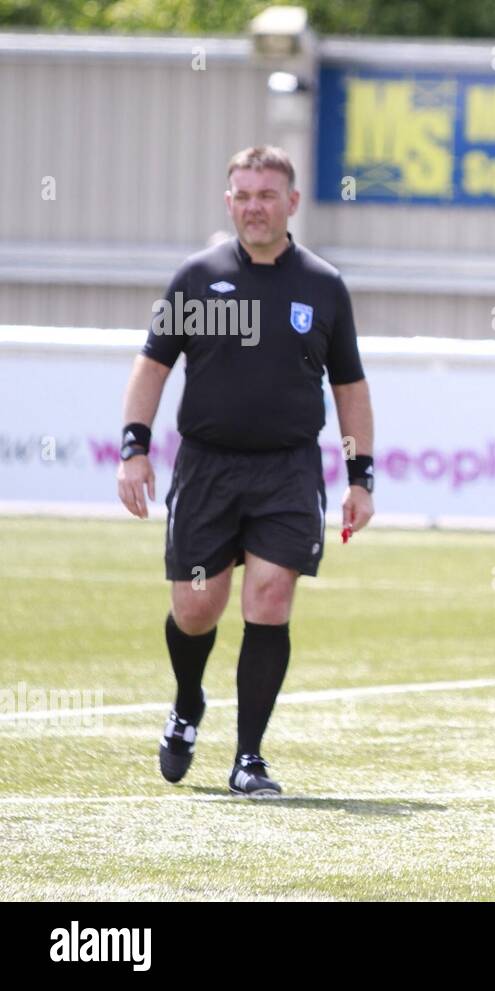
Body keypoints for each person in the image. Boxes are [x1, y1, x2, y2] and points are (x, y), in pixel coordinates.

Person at [116, 146, 375, 795]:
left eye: (268, 193)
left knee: (269, 598)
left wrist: (360, 476)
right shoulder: (197, 276)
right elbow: (152, 366)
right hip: (206, 469)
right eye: (243, 194)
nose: (255, 204)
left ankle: (249, 757)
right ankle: (186, 703)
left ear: (291, 202)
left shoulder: (322, 284)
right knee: (197, 605)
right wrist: (133, 448)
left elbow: (349, 384)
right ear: (229, 201)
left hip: (288, 471)